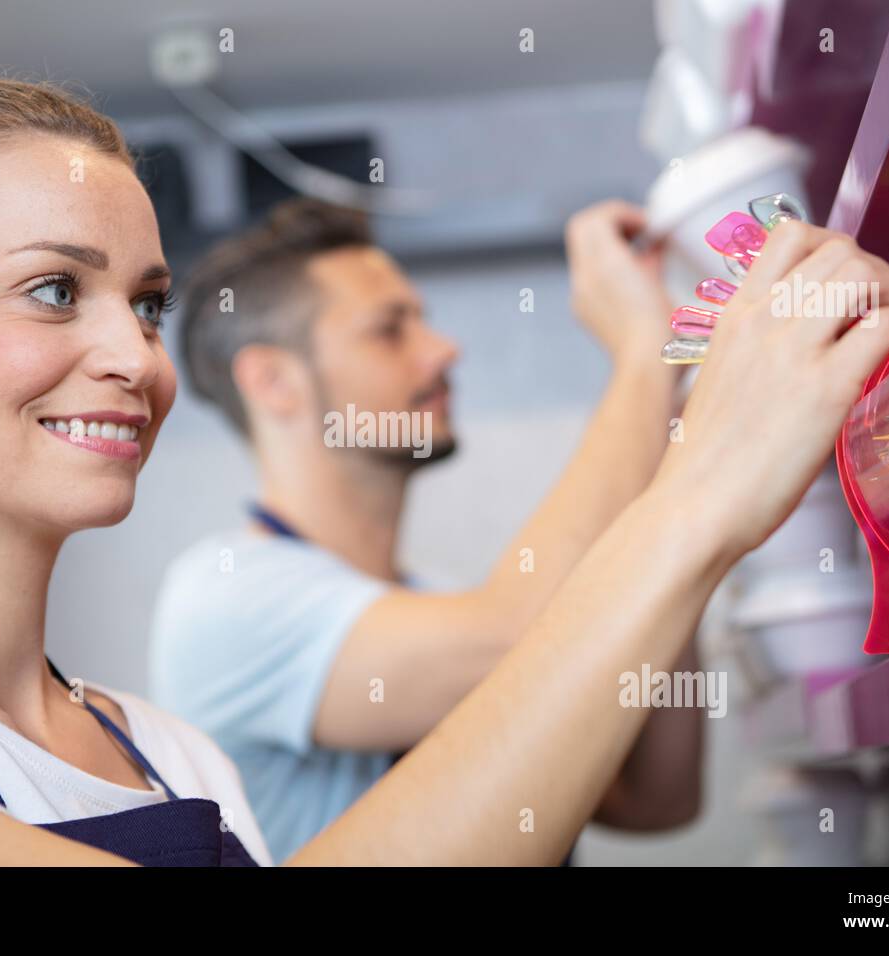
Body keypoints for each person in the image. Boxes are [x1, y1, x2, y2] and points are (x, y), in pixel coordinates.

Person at [0, 74, 889, 866]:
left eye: (145, 304)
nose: (130, 356)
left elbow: (635, 783)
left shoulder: (168, 752)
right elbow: (532, 639)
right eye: (54, 289)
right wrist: (690, 466)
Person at [151, 197, 704, 862]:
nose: (444, 350)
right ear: (273, 382)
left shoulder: (442, 607)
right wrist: (648, 351)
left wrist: (674, 489)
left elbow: (655, 802)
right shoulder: (225, 596)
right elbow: (515, 642)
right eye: (391, 329)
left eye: (424, 323)